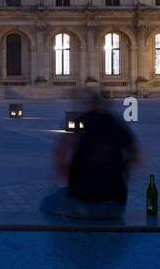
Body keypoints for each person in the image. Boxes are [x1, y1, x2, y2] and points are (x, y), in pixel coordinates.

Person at [41, 89, 139, 220]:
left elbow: (60, 155)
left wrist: (73, 174)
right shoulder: (118, 124)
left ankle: (67, 238)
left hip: (84, 205)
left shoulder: (81, 122)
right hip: (117, 207)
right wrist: (119, 170)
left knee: (47, 202)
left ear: (86, 105)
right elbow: (137, 158)